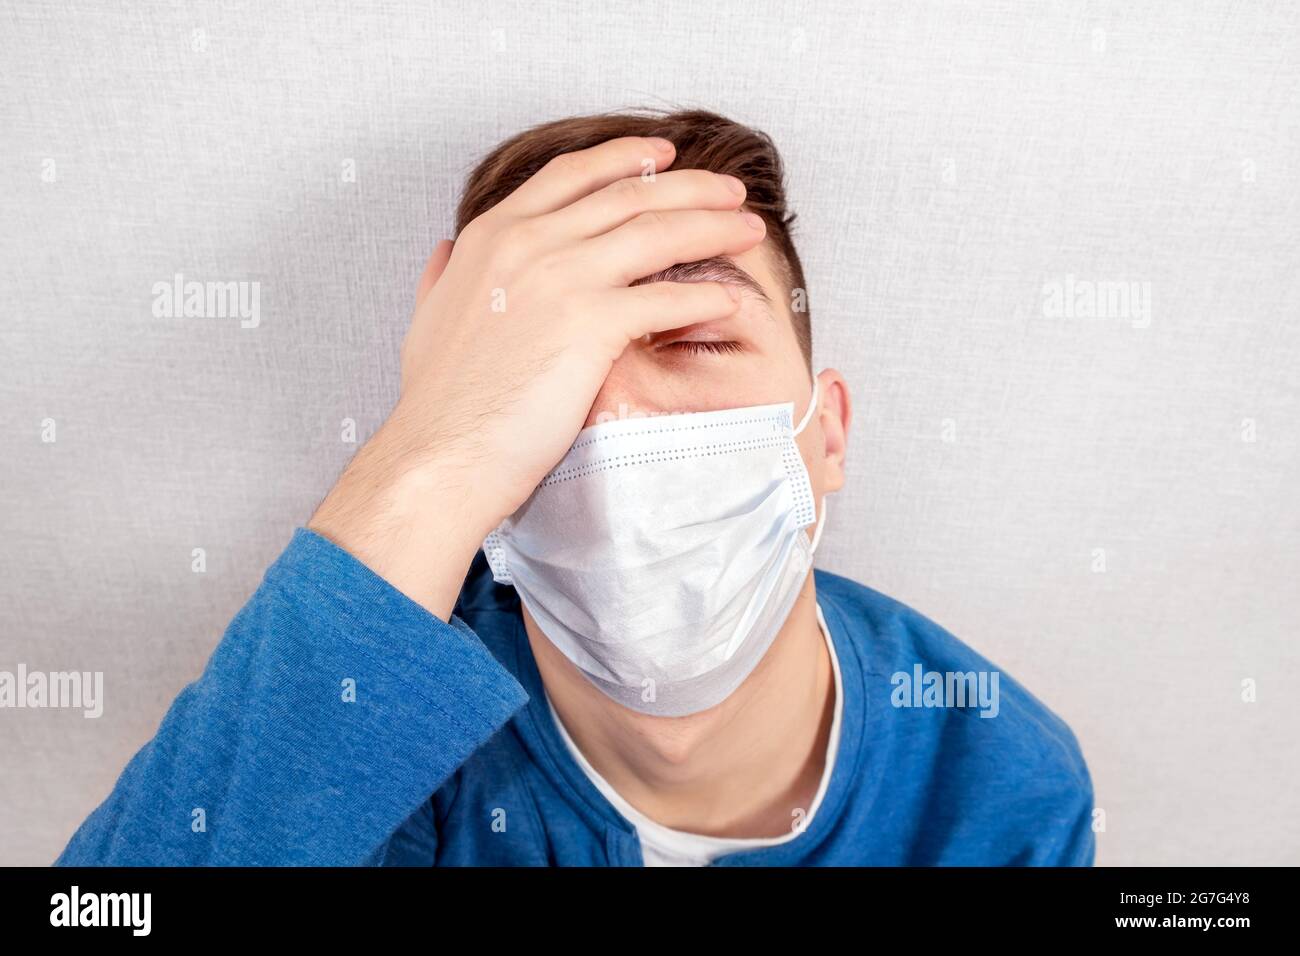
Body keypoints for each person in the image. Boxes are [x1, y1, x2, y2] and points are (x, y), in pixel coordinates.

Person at [55, 110, 1095, 866]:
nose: (615, 421)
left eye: (691, 341)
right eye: (541, 381)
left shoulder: (1001, 783)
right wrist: (431, 458)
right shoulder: (380, 755)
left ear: (822, 436)